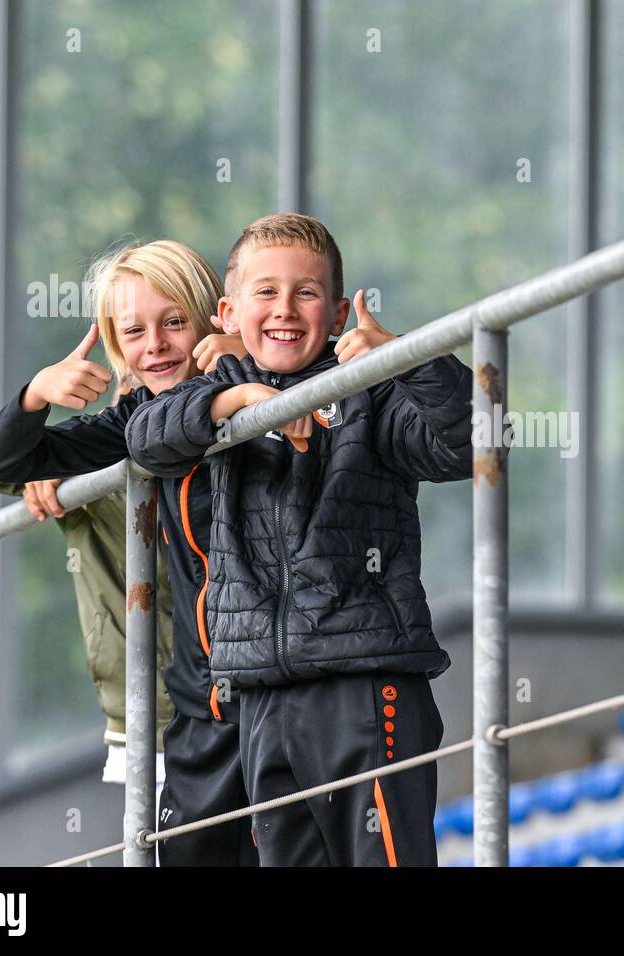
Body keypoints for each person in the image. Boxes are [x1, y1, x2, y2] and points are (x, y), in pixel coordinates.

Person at [126, 213, 472, 866]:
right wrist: (242, 405)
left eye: (306, 293)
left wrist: (407, 355)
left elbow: (470, 442)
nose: (284, 309)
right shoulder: (216, 398)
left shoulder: (375, 393)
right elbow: (146, 436)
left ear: (338, 312)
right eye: (265, 292)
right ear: (229, 311)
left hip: (363, 684)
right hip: (258, 695)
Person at [0, 239, 258, 865]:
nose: (155, 344)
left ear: (216, 317)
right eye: (133, 331)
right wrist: (35, 397)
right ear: (114, 343)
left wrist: (244, 375)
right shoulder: (130, 422)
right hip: (197, 704)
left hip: (284, 689)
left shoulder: (273, 387)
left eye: (174, 322)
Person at [0, 375, 173, 791]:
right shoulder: (89, 468)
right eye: (134, 391)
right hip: (143, 720)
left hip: (225, 705)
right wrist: (39, 437)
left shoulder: (209, 454)